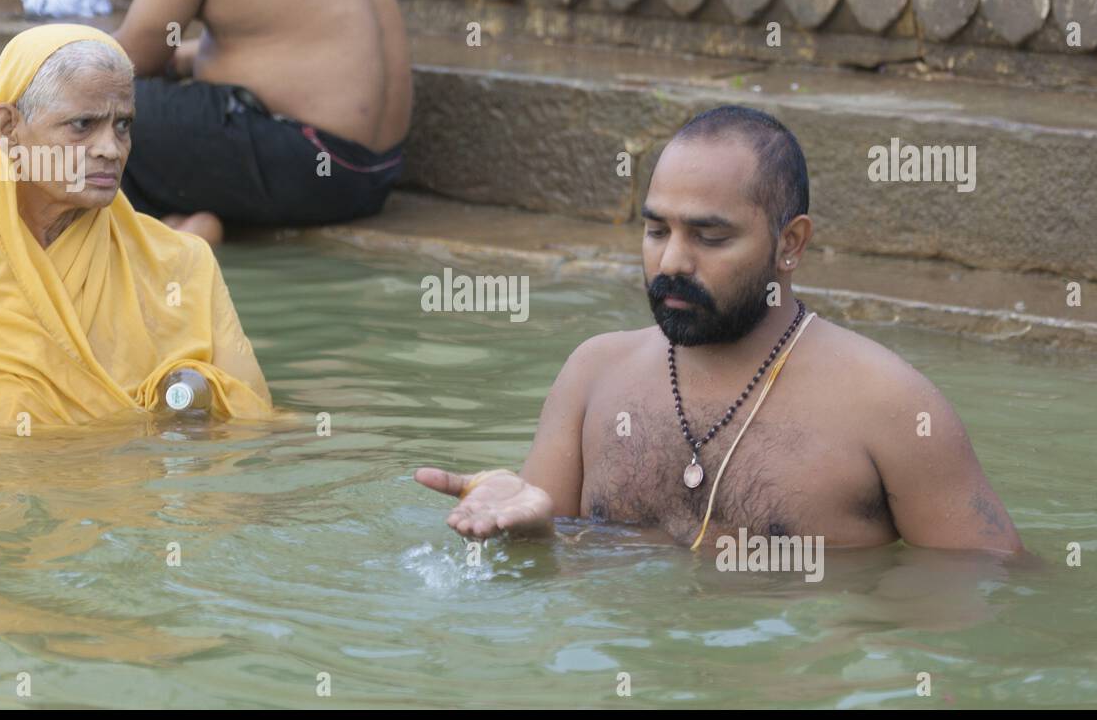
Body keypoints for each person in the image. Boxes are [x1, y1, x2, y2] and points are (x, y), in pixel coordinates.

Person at [415, 106, 1024, 554]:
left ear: (790, 243)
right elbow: (543, 582)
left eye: (709, 237)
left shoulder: (890, 404)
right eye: (657, 231)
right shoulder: (593, 374)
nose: (673, 261)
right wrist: (524, 534)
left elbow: (989, 597)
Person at [0, 24, 274, 429]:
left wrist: (193, 396)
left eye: (123, 125)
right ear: (8, 129)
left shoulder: (183, 265)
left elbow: (253, 423)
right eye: (82, 125)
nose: (111, 149)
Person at [111, 0, 413, 245]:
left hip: (307, 162)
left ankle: (170, 235)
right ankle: (184, 227)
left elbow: (127, 62)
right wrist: (187, 59)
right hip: (372, 174)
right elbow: (284, 40)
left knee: (77, 108)